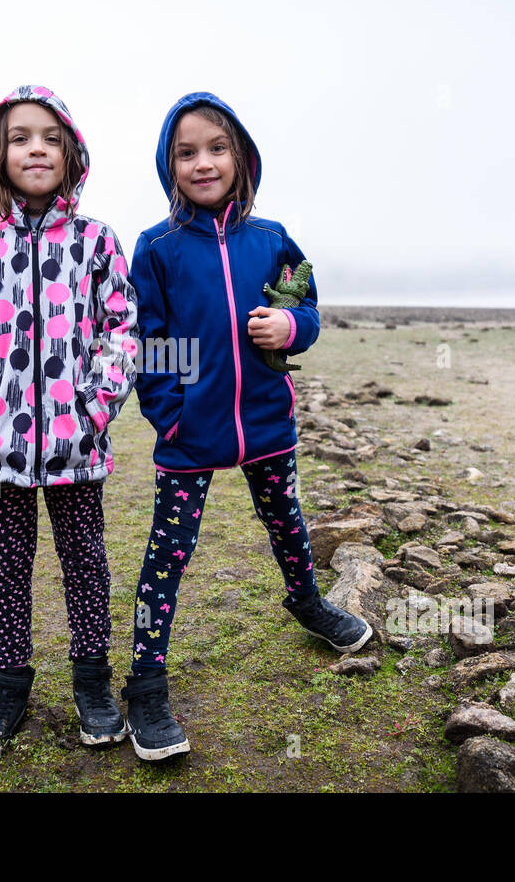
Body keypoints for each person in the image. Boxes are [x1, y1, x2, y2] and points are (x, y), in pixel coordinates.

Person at [123, 92, 372, 761]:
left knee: (287, 523)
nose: (202, 162)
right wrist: (171, 414)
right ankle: (145, 677)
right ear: (167, 164)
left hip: (267, 422)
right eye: (186, 152)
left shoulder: (273, 239)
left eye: (216, 148)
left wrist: (290, 325)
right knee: (167, 554)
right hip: (190, 433)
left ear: (240, 156)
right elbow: (148, 345)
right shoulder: (156, 248)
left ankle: (308, 603)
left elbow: (308, 306)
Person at [0, 85, 138, 759]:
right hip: (0, 454)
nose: (36, 147)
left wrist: (94, 407)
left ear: (72, 154)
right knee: (6, 567)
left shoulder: (97, 242)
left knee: (85, 561)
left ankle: (92, 682)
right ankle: (9, 687)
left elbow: (122, 331)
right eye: (20, 137)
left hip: (78, 447)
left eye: (49, 136)